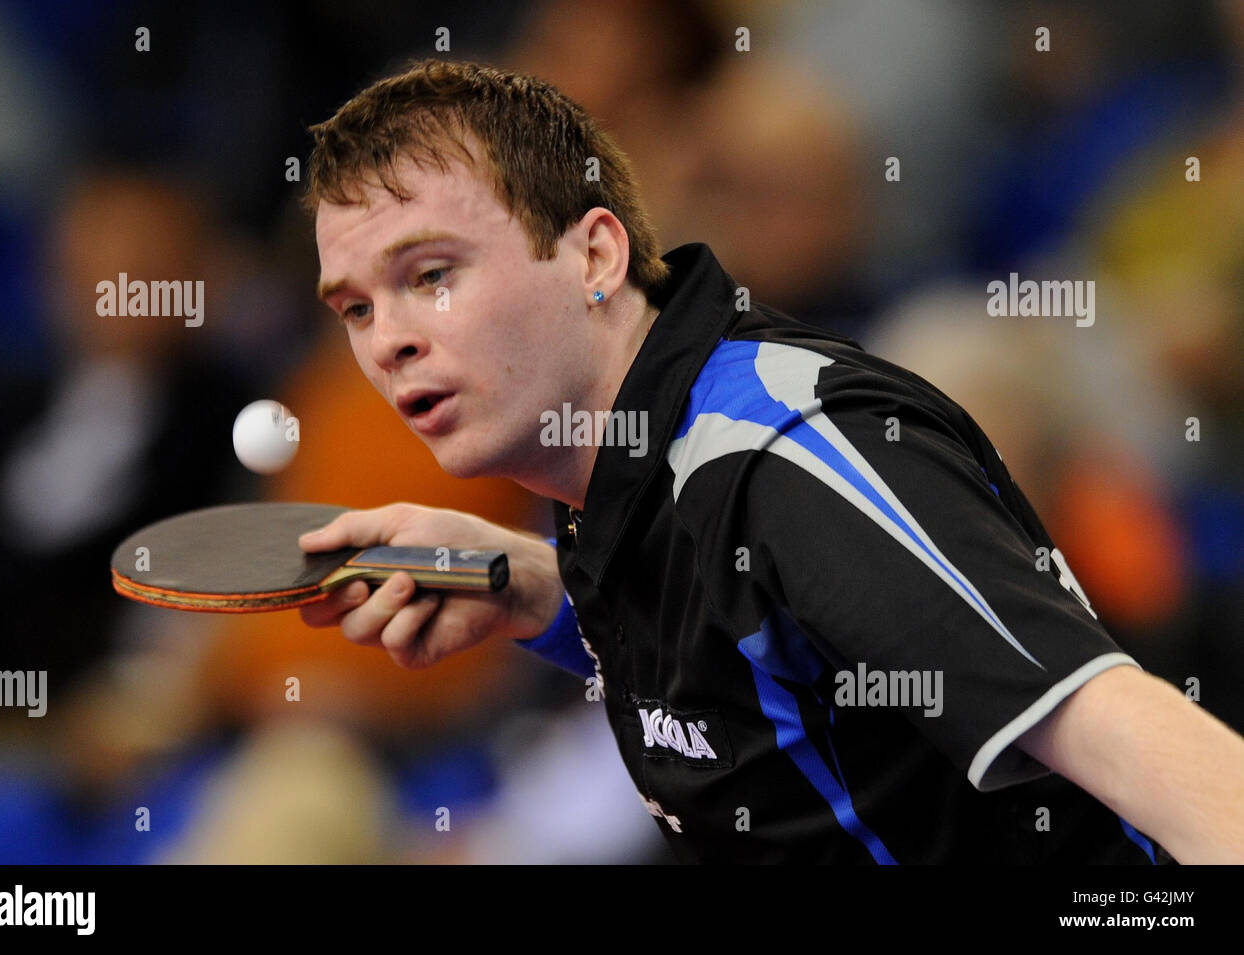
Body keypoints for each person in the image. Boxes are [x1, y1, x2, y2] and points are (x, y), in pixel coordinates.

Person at [295, 58, 1244, 863]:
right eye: (358, 308)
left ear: (592, 257)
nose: (390, 341)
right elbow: (768, 651)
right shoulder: (624, 470)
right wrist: (538, 593)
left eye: (431, 276)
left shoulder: (792, 459)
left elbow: (1131, 737)